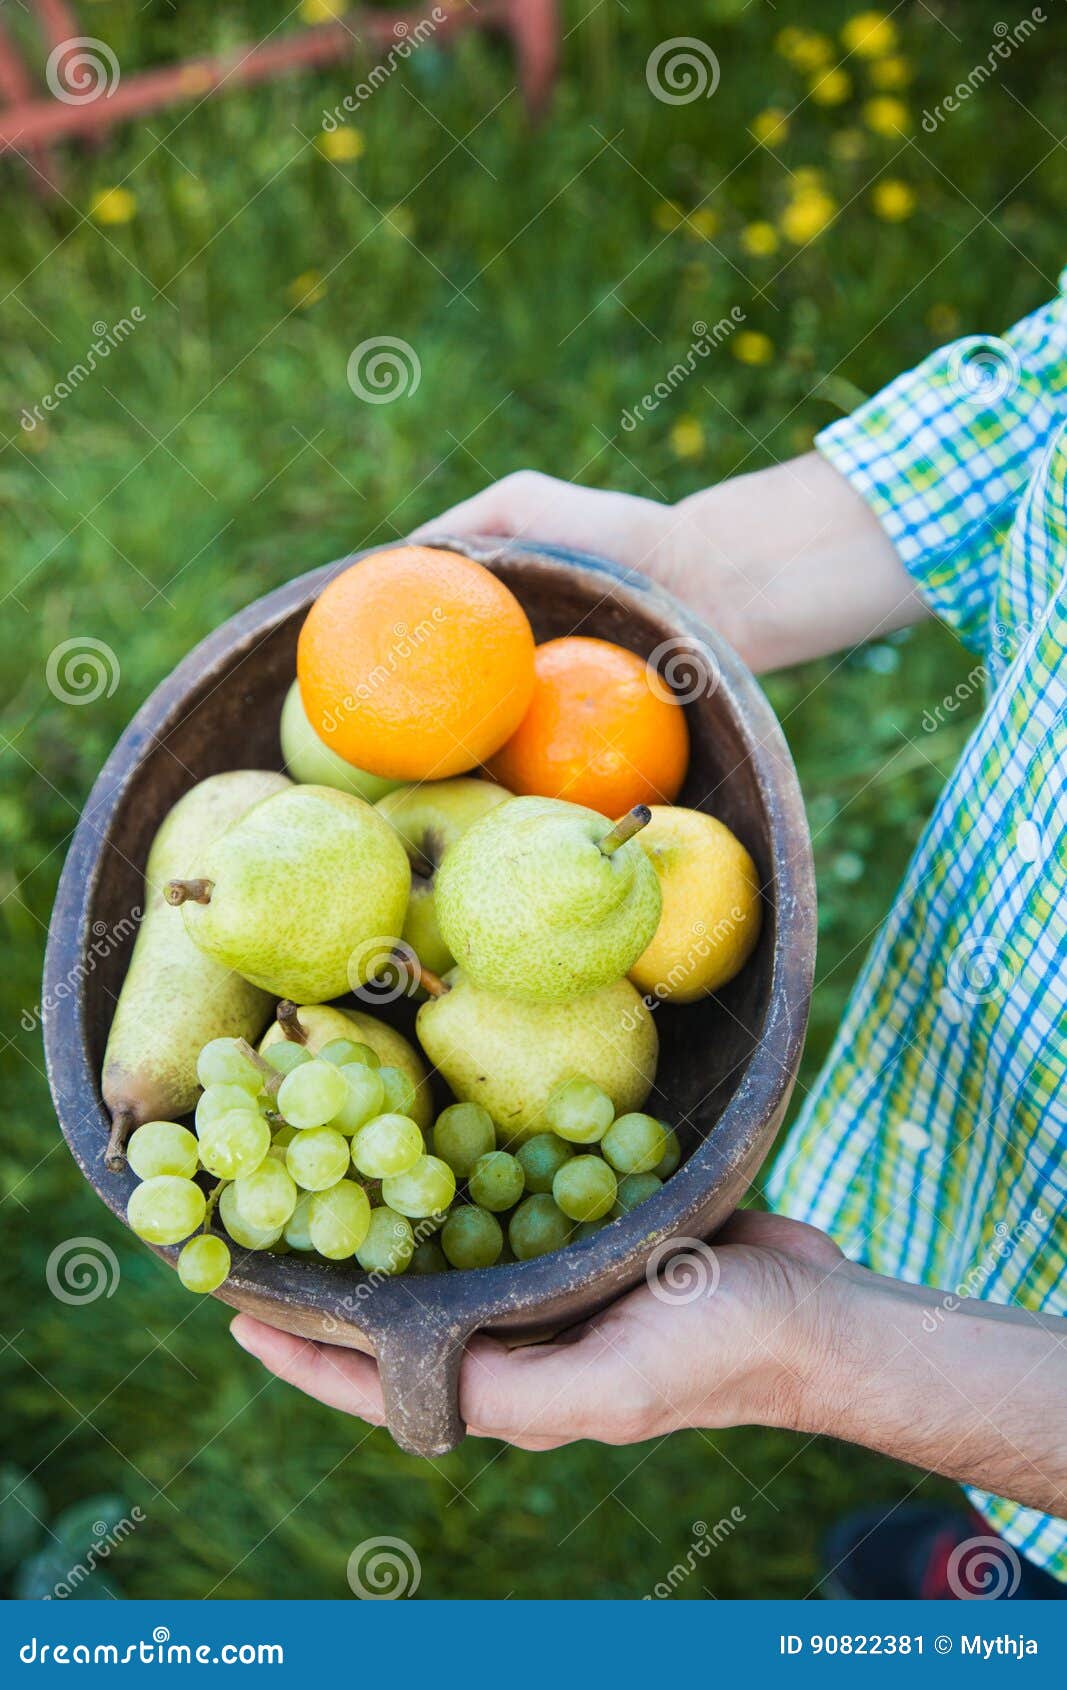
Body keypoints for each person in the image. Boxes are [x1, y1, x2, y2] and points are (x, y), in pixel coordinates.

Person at [232, 282, 1067, 1598]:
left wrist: (818, 1357)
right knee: (988, 1524)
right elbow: (1049, 394)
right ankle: (989, 1537)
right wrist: (704, 567)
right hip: (986, 1152)